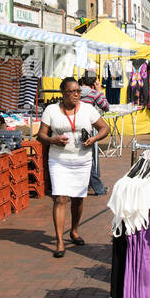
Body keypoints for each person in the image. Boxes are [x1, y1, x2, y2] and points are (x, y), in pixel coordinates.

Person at [38, 77, 111, 257]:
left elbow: (104, 128)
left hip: (82, 160)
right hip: (59, 160)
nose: (76, 95)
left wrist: (93, 139)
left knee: (78, 199)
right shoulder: (51, 110)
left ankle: (74, 230)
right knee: (61, 198)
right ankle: (60, 242)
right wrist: (52, 140)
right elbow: (41, 135)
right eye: (72, 92)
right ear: (63, 93)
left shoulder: (87, 109)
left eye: (78, 91)